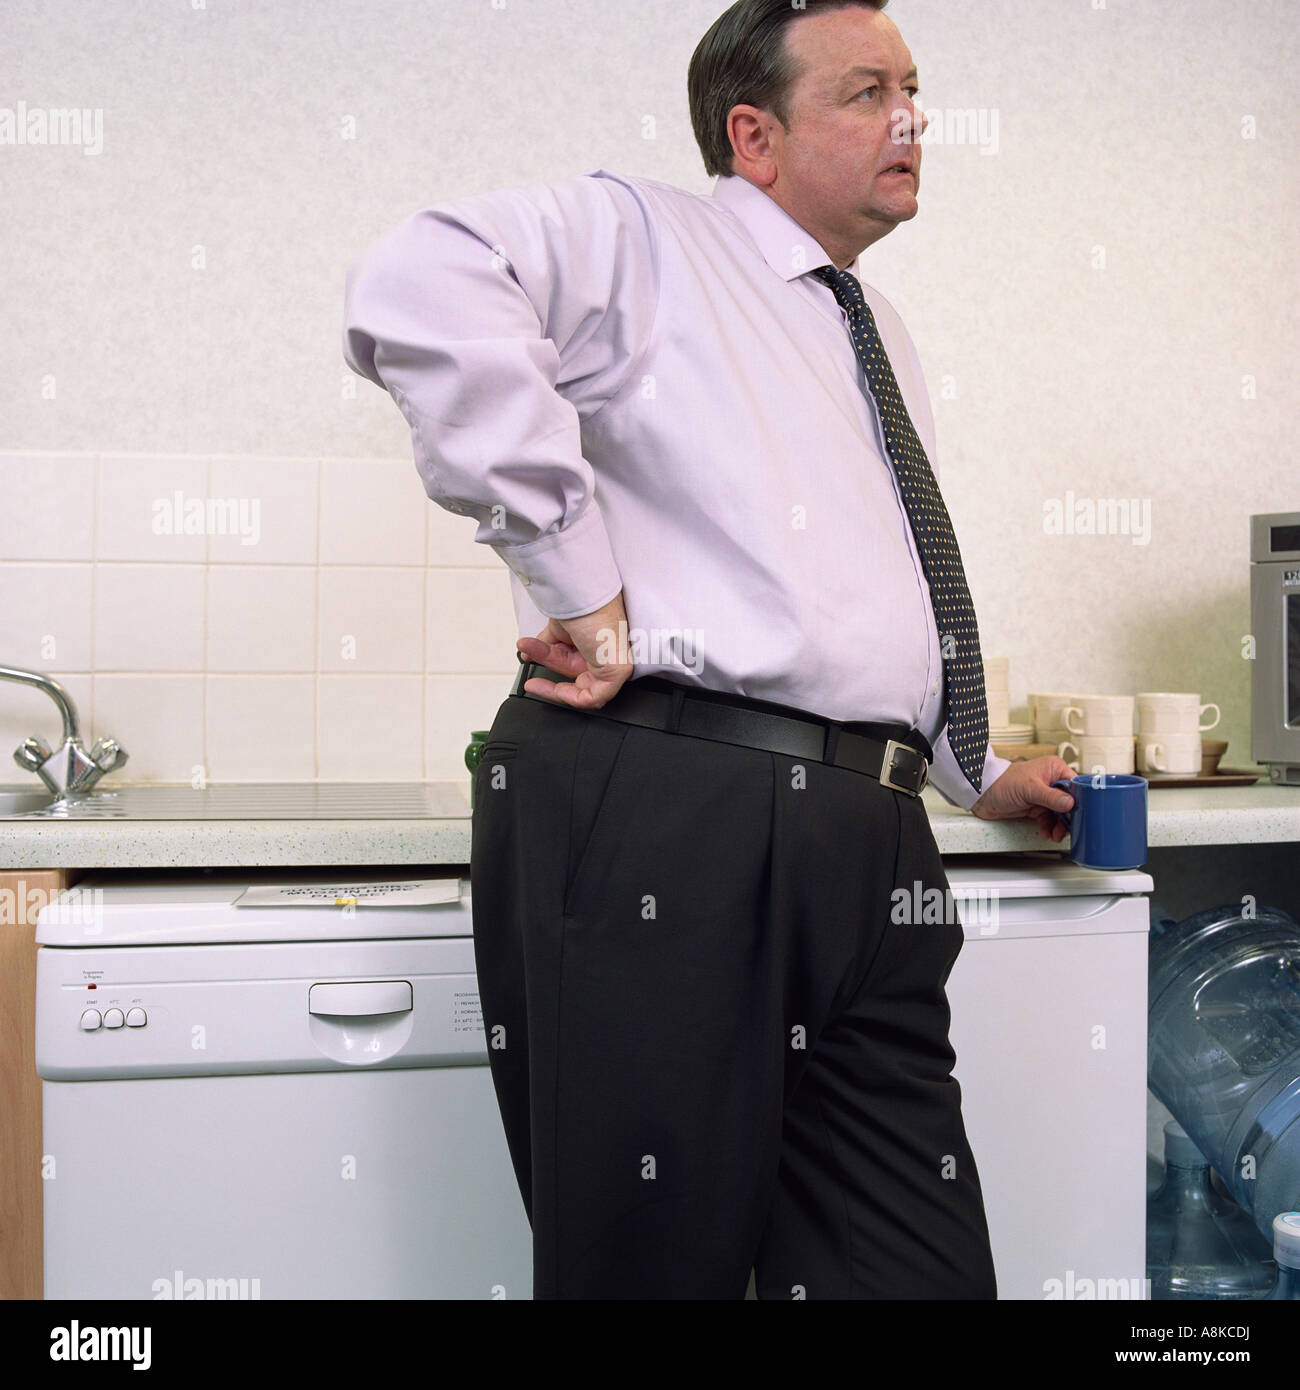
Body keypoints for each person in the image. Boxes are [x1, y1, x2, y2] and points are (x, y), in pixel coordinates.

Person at [343, 0, 1078, 1299]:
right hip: (672, 806)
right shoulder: (648, 236)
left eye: (914, 89)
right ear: (754, 133)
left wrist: (972, 770)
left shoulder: (871, 324)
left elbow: (850, 588)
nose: (910, 117)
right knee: (653, 1271)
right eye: (864, 91)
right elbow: (422, 275)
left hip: (868, 841)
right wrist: (574, 575)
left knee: (914, 1269)